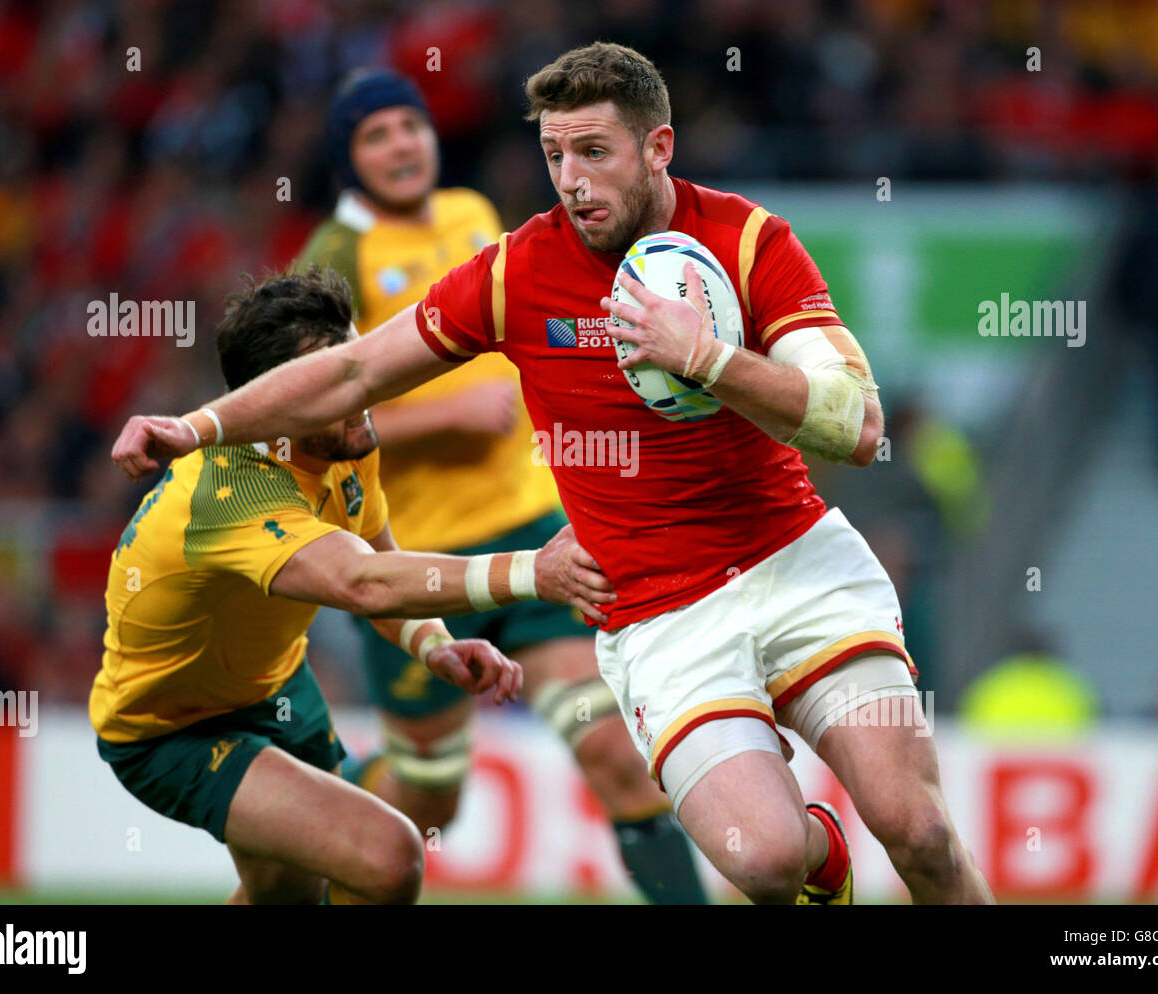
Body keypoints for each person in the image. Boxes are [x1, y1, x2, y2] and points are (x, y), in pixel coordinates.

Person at [113, 43, 994, 905]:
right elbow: (351, 373)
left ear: (659, 148)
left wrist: (709, 358)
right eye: (554, 155)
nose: (570, 180)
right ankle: (820, 853)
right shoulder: (515, 270)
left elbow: (861, 424)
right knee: (762, 861)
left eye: (593, 153)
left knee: (918, 831)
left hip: (794, 563)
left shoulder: (750, 240)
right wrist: (196, 426)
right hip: (657, 612)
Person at [290, 69, 708, 903]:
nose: (402, 144)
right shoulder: (332, 260)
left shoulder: (472, 216)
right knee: (429, 789)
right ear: (350, 158)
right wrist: (444, 420)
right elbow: (304, 420)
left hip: (535, 539)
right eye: (376, 135)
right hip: (419, 569)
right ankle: (304, 828)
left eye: (410, 126)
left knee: (616, 755)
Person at [93, 266, 614, 905]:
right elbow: (364, 584)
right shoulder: (232, 493)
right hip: (171, 728)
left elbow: (381, 556)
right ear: (282, 402)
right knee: (388, 857)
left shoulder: (344, 439)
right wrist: (534, 571)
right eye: (328, 379)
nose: (357, 389)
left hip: (278, 687)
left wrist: (433, 646)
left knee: (284, 896)